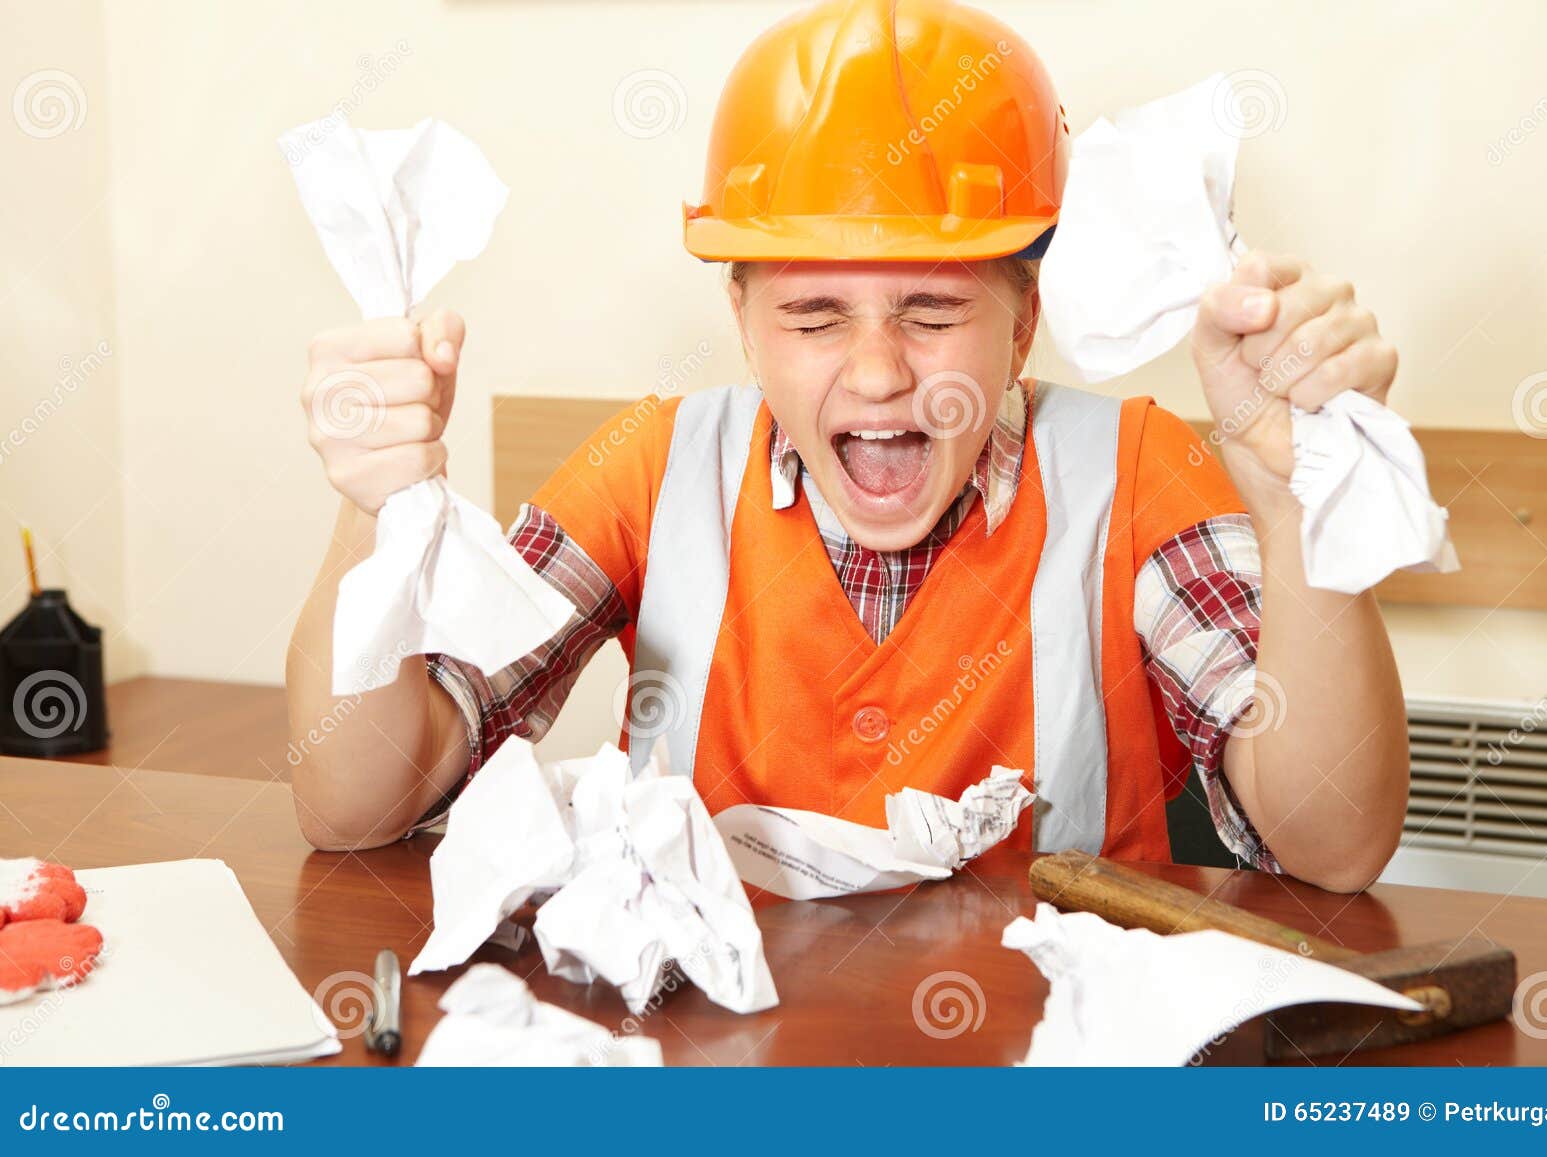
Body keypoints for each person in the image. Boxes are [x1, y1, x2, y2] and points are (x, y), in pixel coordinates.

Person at [287, 0, 1408, 892]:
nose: (876, 373)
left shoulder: (1138, 469)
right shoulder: (651, 465)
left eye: (930, 311)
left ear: (1023, 322)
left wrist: (1296, 509)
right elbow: (352, 806)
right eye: (814, 317)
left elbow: (1332, 850)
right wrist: (376, 508)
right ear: (742, 327)